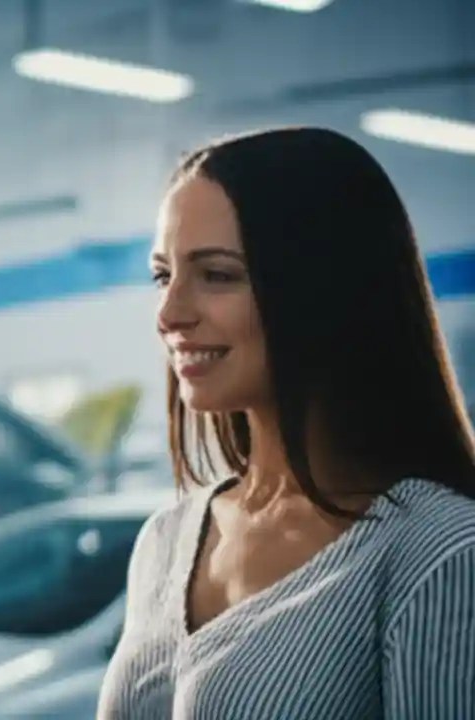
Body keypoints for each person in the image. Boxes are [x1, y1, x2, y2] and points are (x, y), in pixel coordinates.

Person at [97, 127, 475, 719]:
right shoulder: (164, 542)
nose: (170, 313)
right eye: (163, 275)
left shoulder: (438, 550)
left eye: (217, 275)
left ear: (326, 288)